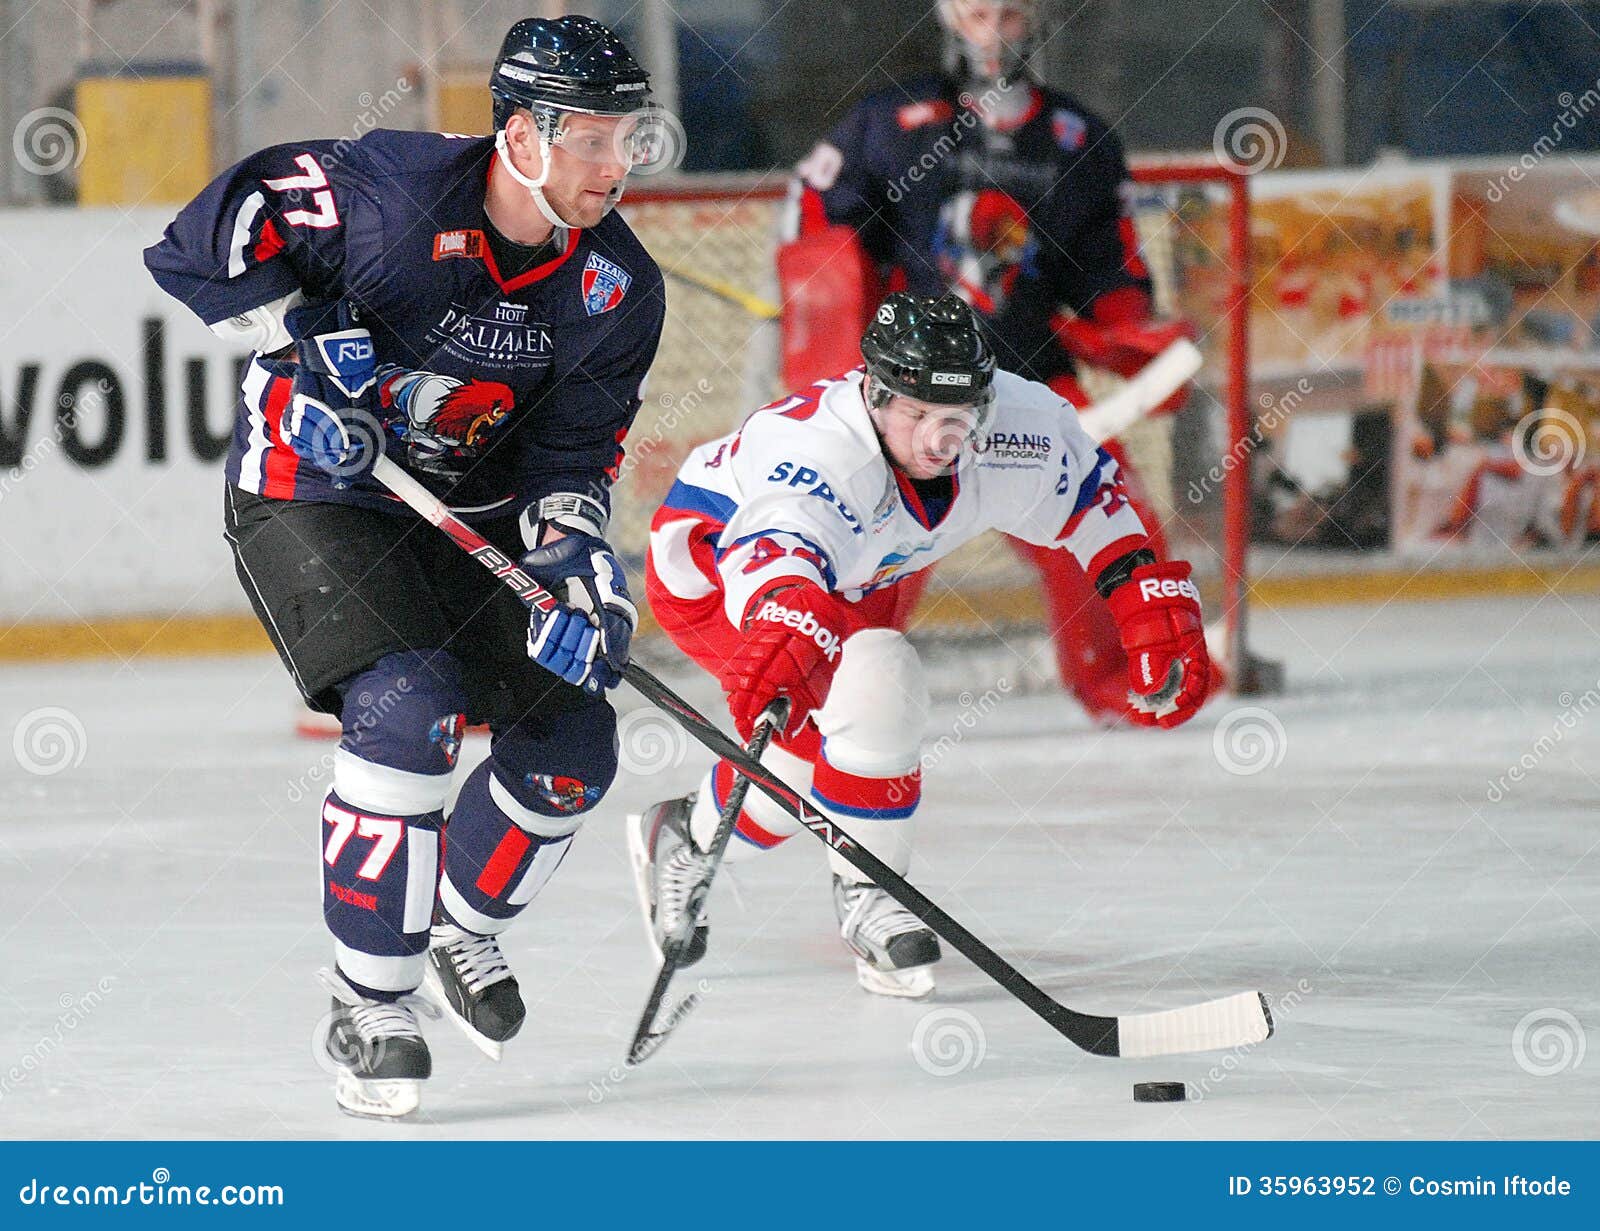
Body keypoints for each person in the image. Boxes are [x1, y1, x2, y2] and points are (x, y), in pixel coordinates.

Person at [145, 15, 667, 1118]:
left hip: (467, 516)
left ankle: (457, 926)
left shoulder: (618, 286)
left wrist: (579, 569)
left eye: (626, 138)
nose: (615, 165)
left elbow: (573, 459)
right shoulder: (391, 190)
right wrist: (286, 337)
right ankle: (368, 1001)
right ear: (519, 135)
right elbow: (207, 232)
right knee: (408, 707)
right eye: (590, 139)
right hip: (314, 492)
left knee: (574, 743)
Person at [633, 293, 1210, 998]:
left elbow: (1091, 497)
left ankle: (686, 835)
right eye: (917, 414)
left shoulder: (1011, 424)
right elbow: (774, 548)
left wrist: (1140, 594)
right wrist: (784, 621)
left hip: (861, 573)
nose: (941, 440)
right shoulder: (818, 456)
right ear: (874, 395)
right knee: (876, 686)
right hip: (720, 578)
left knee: (817, 751)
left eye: (958, 416)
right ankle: (868, 893)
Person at [779, 0, 1199, 724]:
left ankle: (1130, 678)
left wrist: (1129, 334)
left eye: (1008, 14)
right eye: (978, 13)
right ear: (949, 17)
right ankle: (823, 693)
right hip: (908, 392)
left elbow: (1108, 267)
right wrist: (834, 316)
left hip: (1031, 377)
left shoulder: (1078, 138)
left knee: (1108, 512)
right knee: (870, 546)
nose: (993, 32)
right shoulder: (890, 121)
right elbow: (817, 218)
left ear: (1032, 19)